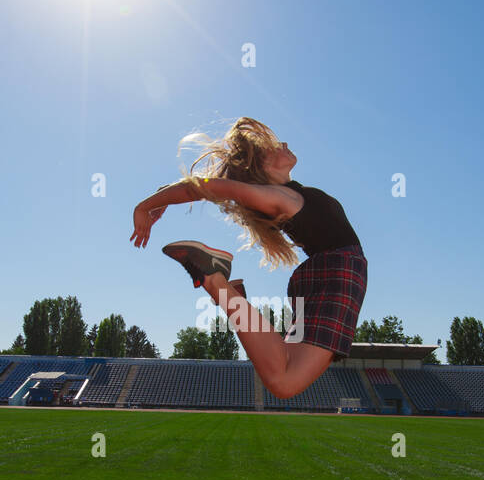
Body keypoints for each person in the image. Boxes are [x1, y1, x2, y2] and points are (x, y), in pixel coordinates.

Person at [130, 117, 367, 399]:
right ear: (261, 167)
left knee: (282, 370)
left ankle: (230, 295)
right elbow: (208, 188)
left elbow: (208, 187)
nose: (285, 144)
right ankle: (216, 280)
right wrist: (147, 205)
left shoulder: (288, 194)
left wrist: (161, 197)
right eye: (273, 146)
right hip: (339, 272)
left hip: (320, 274)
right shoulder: (277, 197)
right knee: (283, 382)